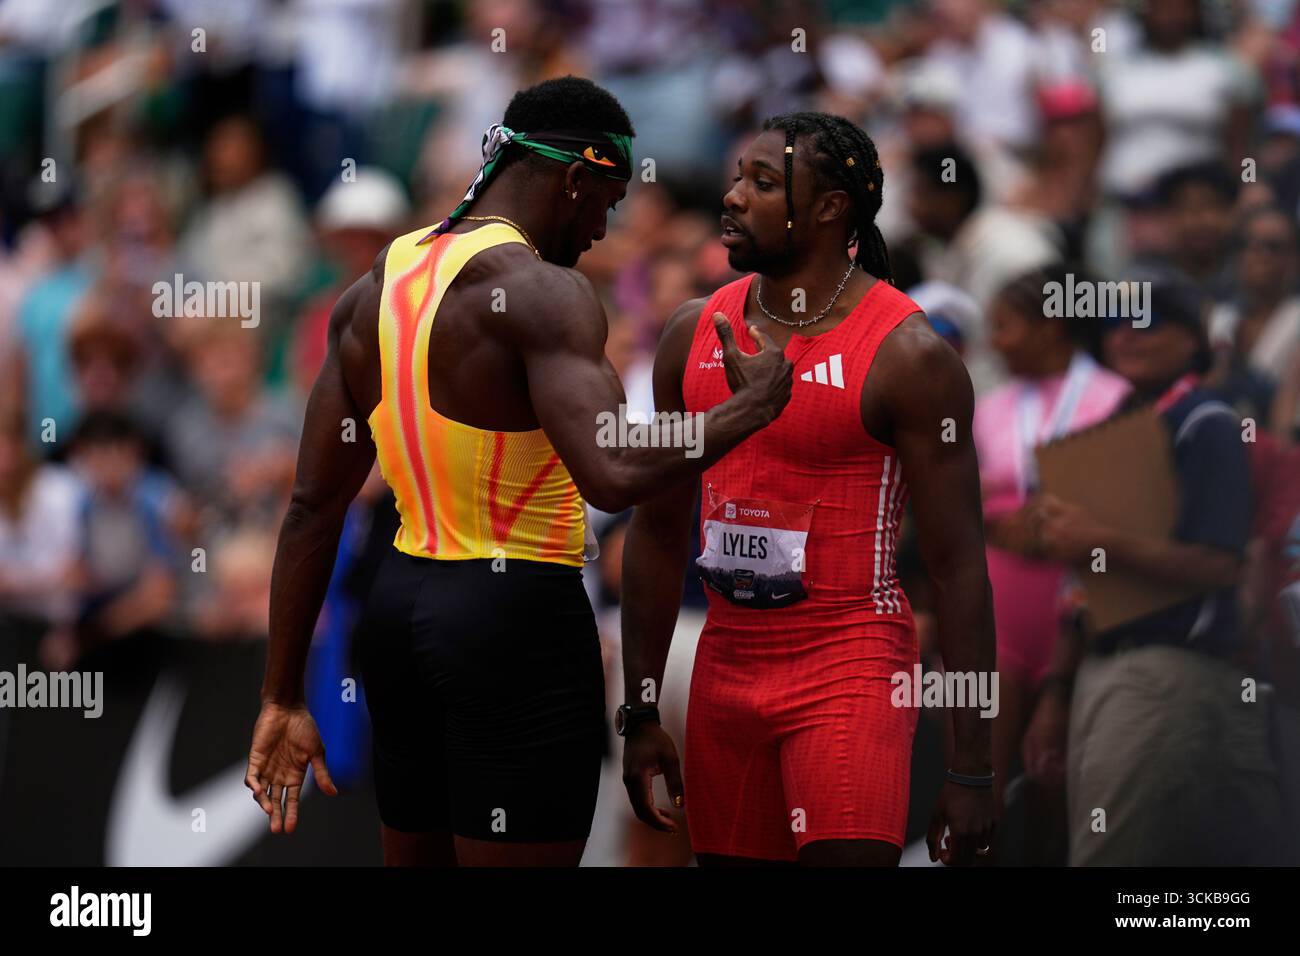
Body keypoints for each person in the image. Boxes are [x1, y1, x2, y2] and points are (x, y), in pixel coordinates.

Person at [244, 76, 793, 867]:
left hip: (397, 613)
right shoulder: (544, 292)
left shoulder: (377, 285)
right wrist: (745, 411)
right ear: (573, 179)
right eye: (604, 202)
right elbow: (609, 469)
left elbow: (310, 505)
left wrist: (280, 693)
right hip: (514, 619)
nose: (602, 230)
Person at [619, 111, 998, 867]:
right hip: (726, 669)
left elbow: (959, 570)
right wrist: (642, 709)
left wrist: (972, 766)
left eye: (761, 183)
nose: (732, 197)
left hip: (850, 663)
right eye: (736, 178)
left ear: (830, 208)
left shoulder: (908, 356)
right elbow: (657, 534)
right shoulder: (689, 335)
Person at [1025, 275, 1285, 865]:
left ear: (1195, 342)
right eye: (1115, 323)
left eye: (1149, 322)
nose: (1126, 335)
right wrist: (1056, 694)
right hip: (1103, 670)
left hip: (1169, 672)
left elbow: (1219, 564)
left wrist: (1096, 539)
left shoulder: (1207, 420)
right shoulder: (1116, 427)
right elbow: (1081, 585)